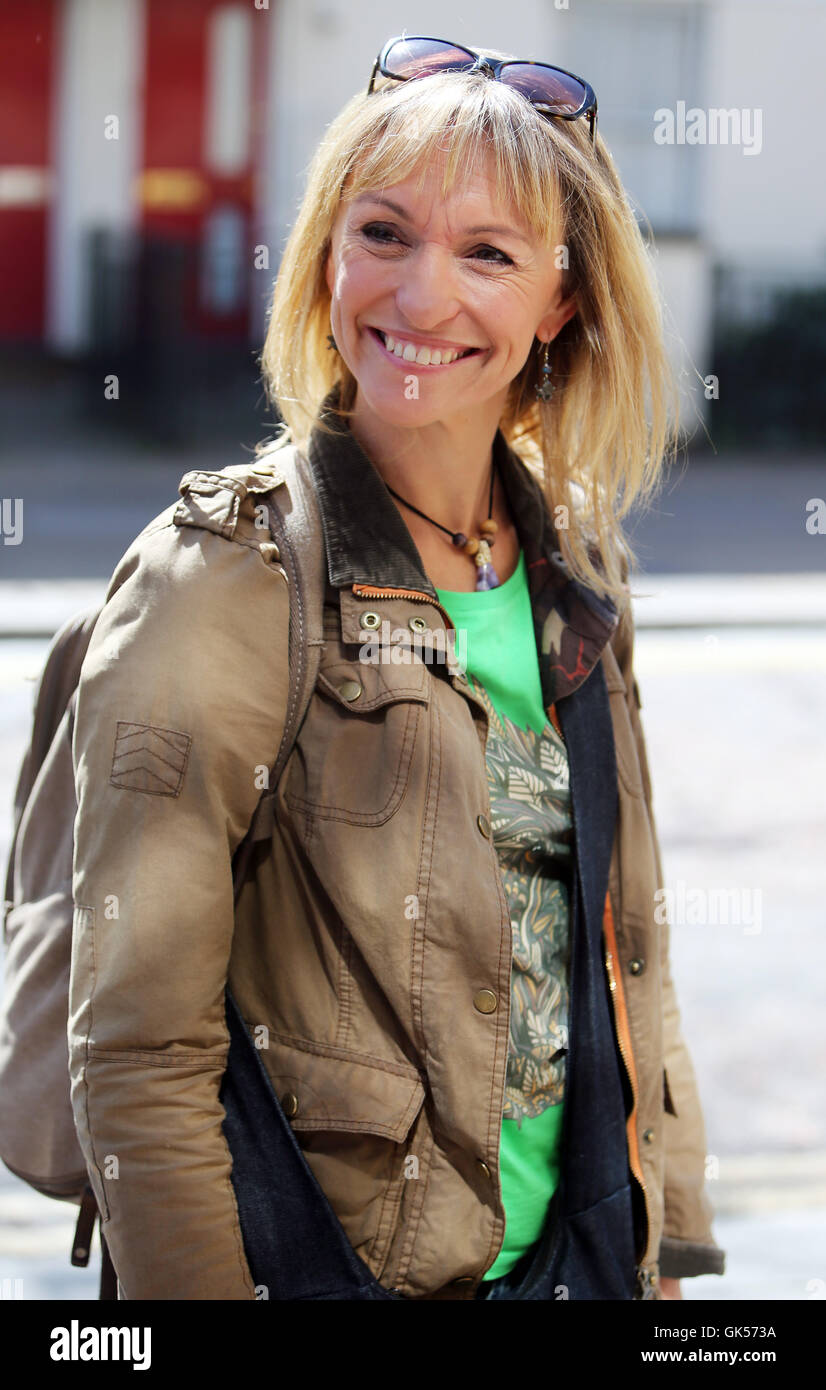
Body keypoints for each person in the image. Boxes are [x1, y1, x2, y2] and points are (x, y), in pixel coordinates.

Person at [69, 33, 725, 1301]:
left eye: (486, 253)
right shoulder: (226, 577)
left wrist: (666, 1263)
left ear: (560, 303)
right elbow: (138, 1050)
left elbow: (627, 949)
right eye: (383, 233)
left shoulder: (579, 565)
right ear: (326, 258)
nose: (421, 298)